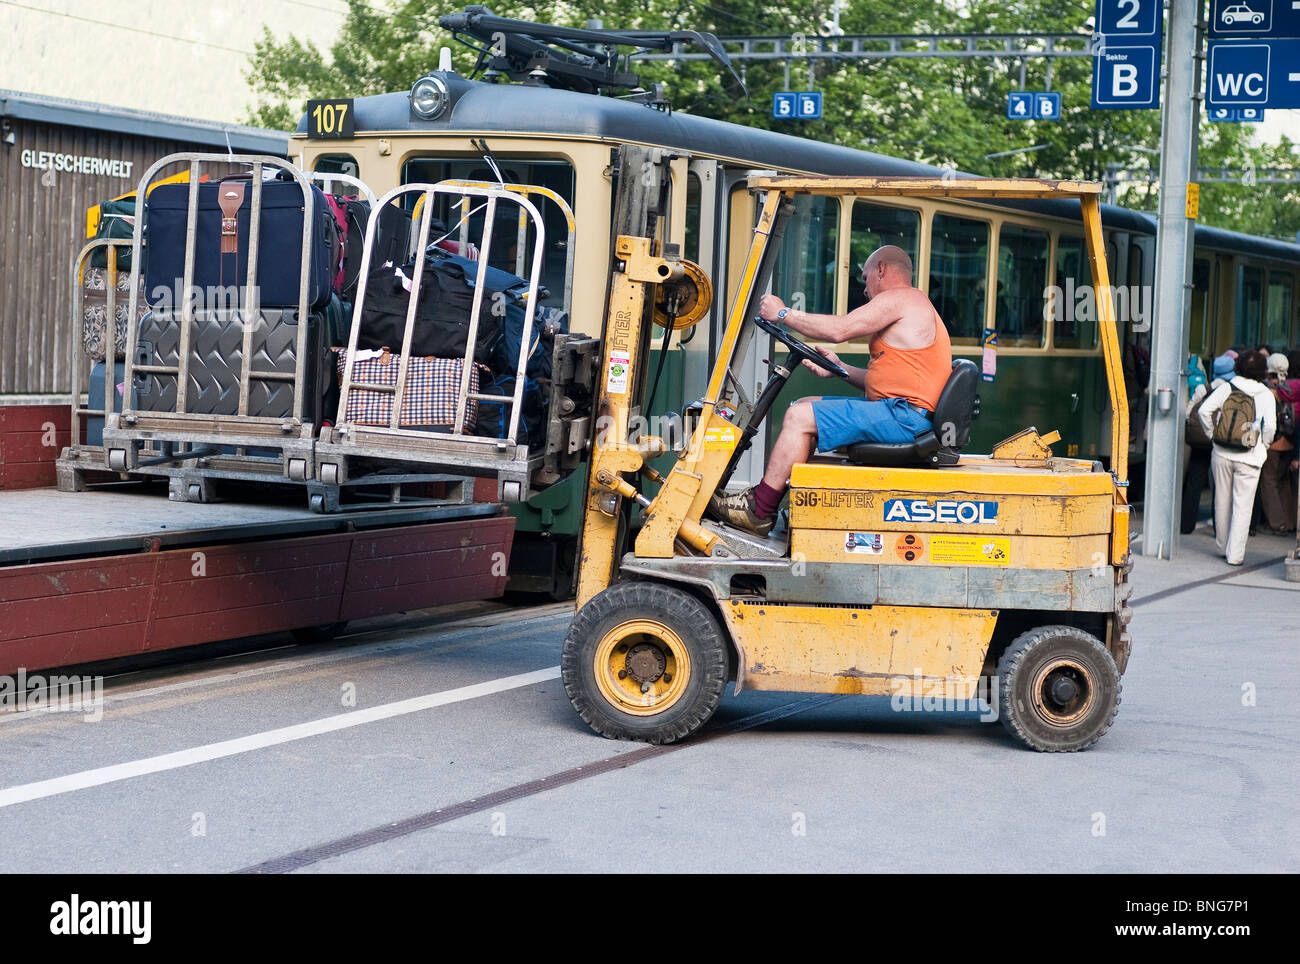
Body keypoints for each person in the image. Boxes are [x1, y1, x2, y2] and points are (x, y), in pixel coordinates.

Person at [710, 245, 952, 536]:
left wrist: (783, 313)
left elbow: (840, 329)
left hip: (904, 419)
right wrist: (838, 366)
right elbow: (884, 381)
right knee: (804, 404)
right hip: (900, 413)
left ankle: (760, 510)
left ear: (882, 270)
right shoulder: (914, 306)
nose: (864, 289)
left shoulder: (901, 298)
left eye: (865, 278)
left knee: (800, 417)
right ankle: (796, 503)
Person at [1198, 349, 1277, 565]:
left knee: (1221, 501)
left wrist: (1213, 435)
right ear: (1263, 371)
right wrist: (1264, 445)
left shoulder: (1227, 387)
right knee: (1243, 507)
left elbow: (1204, 411)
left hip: (1222, 452)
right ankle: (1235, 555)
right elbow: (1269, 427)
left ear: (1238, 366)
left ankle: (1222, 546)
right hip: (1250, 457)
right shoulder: (1266, 395)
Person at [1180, 353, 1231, 533]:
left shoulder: (1203, 387)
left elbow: (1188, 413)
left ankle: (1186, 525)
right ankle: (1220, 527)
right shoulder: (1231, 390)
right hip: (1220, 443)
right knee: (1220, 486)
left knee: (1194, 482)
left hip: (1199, 442)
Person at [1258, 352, 1297, 533]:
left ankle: (1276, 523)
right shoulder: (1290, 389)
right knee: (1283, 483)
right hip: (1289, 442)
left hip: (1273, 444)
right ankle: (1289, 522)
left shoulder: (1268, 390)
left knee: (1269, 482)